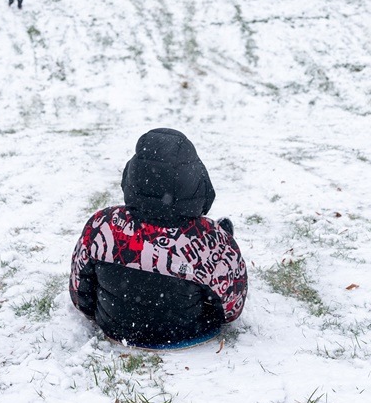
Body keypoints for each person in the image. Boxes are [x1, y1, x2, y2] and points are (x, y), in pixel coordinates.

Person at [69, 128, 247, 348]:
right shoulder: (208, 241)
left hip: (115, 326)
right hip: (188, 330)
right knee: (219, 248)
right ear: (196, 182)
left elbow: (80, 289)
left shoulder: (102, 225)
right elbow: (232, 306)